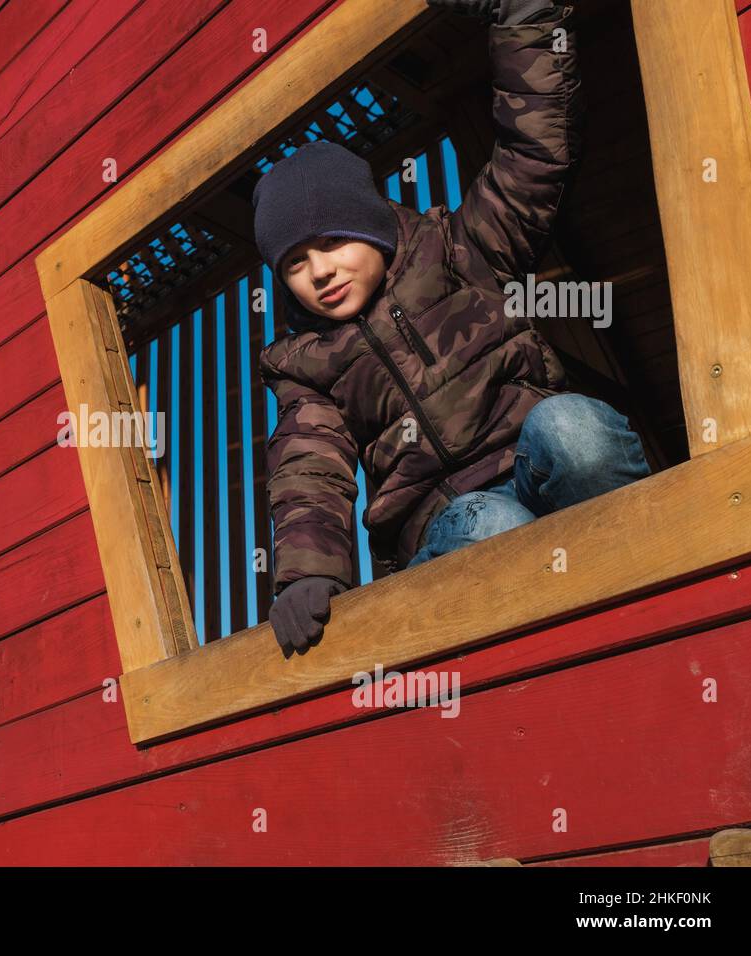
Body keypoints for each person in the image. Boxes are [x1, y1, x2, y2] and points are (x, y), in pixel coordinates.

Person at [253, 0, 651, 656]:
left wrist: (526, 16)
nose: (318, 271)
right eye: (294, 262)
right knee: (489, 521)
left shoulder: (461, 250)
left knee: (573, 427)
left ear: (372, 223)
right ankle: (557, 659)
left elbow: (533, 157)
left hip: (535, 458)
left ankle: (647, 568)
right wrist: (310, 574)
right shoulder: (306, 364)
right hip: (442, 520)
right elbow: (309, 466)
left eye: (331, 241)